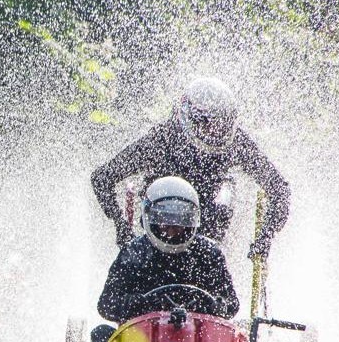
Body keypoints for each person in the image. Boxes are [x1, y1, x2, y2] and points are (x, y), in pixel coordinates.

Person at [91, 77, 290, 260]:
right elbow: (102, 178)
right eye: (207, 125)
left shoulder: (236, 143)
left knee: (224, 199)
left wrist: (266, 236)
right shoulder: (161, 139)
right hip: (159, 233)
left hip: (208, 235)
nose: (215, 132)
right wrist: (121, 226)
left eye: (222, 125)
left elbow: (280, 190)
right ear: (189, 117)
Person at [90, 176, 239, 342]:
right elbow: (106, 304)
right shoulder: (133, 253)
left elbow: (231, 304)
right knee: (100, 334)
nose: (172, 231)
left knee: (239, 340)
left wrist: (209, 305)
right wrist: (144, 304)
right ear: (148, 218)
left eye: (180, 223)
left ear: (193, 220)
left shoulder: (208, 253)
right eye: (165, 222)